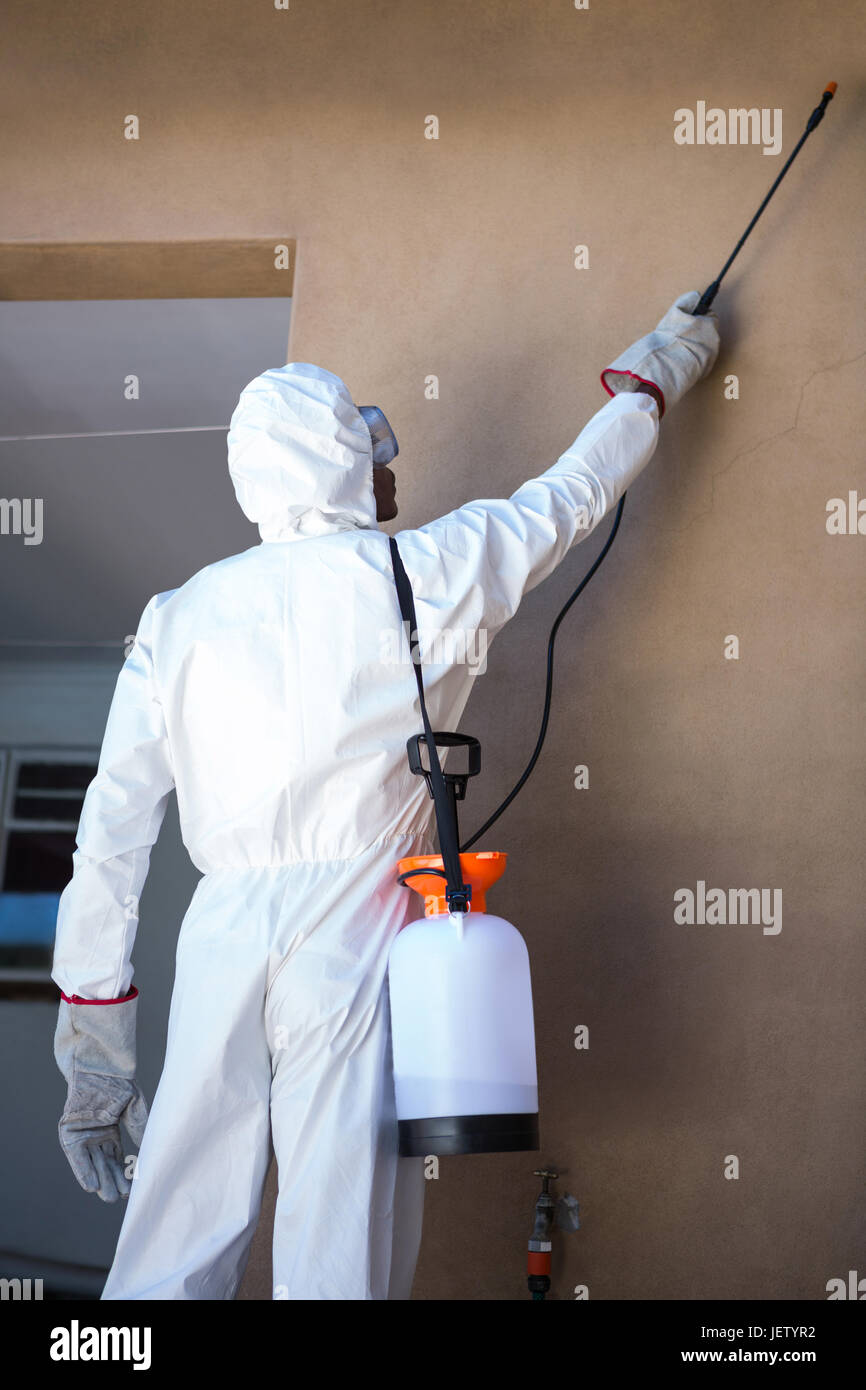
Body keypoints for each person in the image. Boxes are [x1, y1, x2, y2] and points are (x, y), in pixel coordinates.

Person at [51, 292, 720, 1300]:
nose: (391, 466)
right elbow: (570, 493)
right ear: (344, 465)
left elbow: (110, 835)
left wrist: (95, 1049)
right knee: (341, 1249)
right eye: (372, 450)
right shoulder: (427, 571)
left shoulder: (176, 616)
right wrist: (654, 373)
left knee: (171, 1242)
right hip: (356, 934)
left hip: (220, 931)